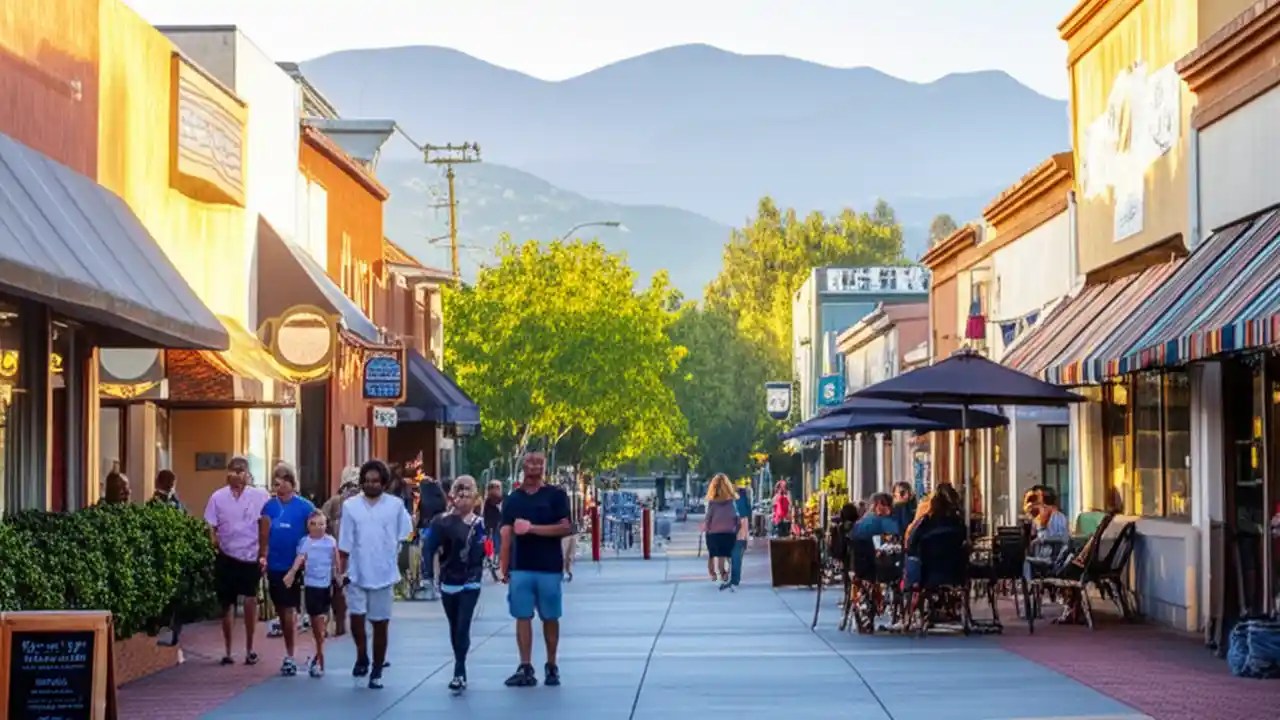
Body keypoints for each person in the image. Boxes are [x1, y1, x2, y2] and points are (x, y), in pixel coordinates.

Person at [338, 460, 413, 689]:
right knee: (357, 620)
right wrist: (341, 572)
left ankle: (377, 669)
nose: (371, 485)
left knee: (380, 623)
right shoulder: (351, 506)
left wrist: (398, 555)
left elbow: (406, 533)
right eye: (367, 481)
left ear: (384, 483)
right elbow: (345, 542)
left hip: (384, 571)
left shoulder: (395, 506)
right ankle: (362, 654)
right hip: (357, 571)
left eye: (375, 481)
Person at [500, 452, 572, 688]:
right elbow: (506, 534)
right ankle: (525, 665)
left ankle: (552, 665)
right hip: (521, 566)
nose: (535, 467)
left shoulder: (556, 496)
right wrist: (504, 565)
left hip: (549, 567)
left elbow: (565, 528)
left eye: (539, 463)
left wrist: (532, 529)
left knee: (550, 616)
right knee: (522, 615)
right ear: (523, 465)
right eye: (531, 462)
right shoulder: (512, 499)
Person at [203, 455, 270, 666]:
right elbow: (210, 525)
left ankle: (250, 649)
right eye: (233, 470)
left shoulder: (259, 496)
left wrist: (263, 552)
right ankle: (228, 650)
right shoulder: (217, 497)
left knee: (251, 601)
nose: (237, 474)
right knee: (227, 605)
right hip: (227, 556)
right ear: (227, 473)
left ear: (248, 474)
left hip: (251, 556)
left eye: (241, 470)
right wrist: (214, 543)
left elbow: (265, 525)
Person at [423, 476, 487, 693]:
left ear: (476, 497)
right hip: (449, 580)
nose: (463, 495)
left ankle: (460, 670)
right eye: (459, 491)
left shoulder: (478, 524)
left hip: (471, 580)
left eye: (468, 491)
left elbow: (483, 550)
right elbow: (428, 547)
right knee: (454, 625)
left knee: (463, 624)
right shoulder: (440, 521)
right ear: (451, 495)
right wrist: (428, 574)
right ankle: (459, 660)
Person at [259, 462, 316, 676]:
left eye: (283, 478)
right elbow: (263, 535)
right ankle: (289, 643)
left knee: (290, 608)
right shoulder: (269, 507)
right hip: (275, 564)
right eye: (276, 479)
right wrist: (262, 557)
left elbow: (315, 532)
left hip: (296, 565)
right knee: (281, 609)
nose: (278, 482)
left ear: (291, 482)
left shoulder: (305, 507)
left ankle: (291, 655)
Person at [285, 511, 339, 678]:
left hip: (326, 586)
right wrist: (292, 573)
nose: (318, 528)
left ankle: (318, 656)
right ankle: (319, 657)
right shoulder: (306, 542)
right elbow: (300, 558)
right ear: (308, 526)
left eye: (321, 524)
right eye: (314, 524)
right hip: (312, 586)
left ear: (326, 525)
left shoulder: (330, 542)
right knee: (317, 623)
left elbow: (335, 562)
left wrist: (339, 578)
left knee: (324, 622)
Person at [321, 468, 360, 637]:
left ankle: (340, 624)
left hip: (338, 549)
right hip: (357, 550)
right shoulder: (365, 501)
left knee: (338, 586)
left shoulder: (334, 501)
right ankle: (351, 621)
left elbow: (322, 521)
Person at [702, 474, 738, 583]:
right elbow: (736, 516)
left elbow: (708, 517)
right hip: (729, 531)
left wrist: (706, 527)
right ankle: (724, 572)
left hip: (714, 532)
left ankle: (713, 573)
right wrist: (737, 528)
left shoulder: (712, 502)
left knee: (712, 553)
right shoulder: (731, 502)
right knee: (727, 553)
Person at [417, 474, 448, 601]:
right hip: (441, 528)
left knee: (427, 553)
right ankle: (441, 581)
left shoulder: (424, 499)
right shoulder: (440, 497)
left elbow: (421, 515)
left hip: (427, 528)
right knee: (440, 555)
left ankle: (428, 578)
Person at [725, 484, 753, 590]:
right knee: (736, 556)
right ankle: (735, 580)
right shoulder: (742, 500)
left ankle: (734, 579)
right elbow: (745, 518)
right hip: (738, 533)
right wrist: (745, 536)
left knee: (733, 556)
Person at [483, 480, 505, 567]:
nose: (495, 490)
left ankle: (497, 558)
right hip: (490, 524)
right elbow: (485, 513)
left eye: (497, 487)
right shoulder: (488, 501)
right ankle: (489, 557)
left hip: (499, 524)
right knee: (488, 540)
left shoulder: (503, 499)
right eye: (492, 487)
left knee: (498, 540)